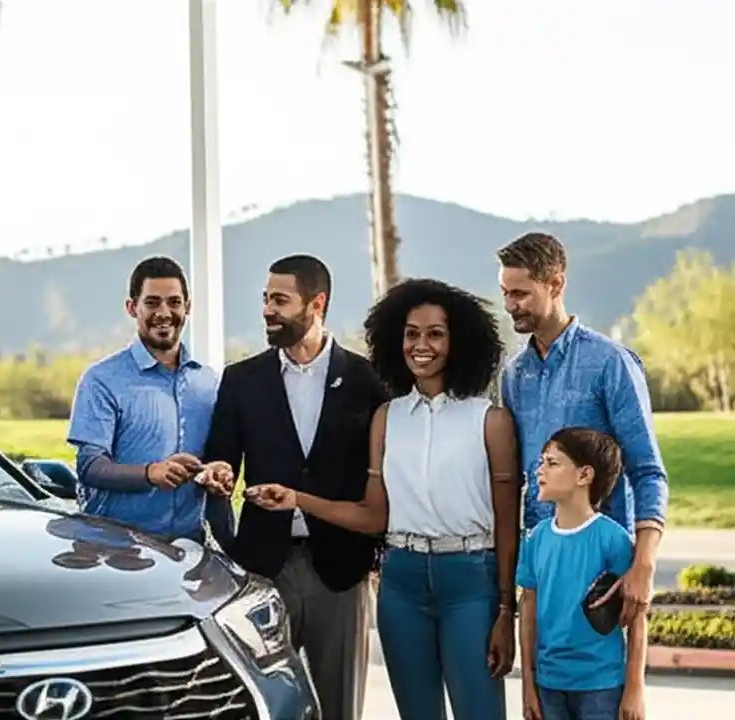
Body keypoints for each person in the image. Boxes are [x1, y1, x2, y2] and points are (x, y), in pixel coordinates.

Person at [247, 278, 520, 720]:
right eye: (411, 333)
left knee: (481, 713)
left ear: (460, 340)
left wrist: (506, 609)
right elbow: (375, 516)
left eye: (435, 333)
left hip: (471, 581)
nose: (421, 345)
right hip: (401, 584)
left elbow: (509, 522)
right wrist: (296, 499)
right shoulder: (387, 418)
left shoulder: (490, 421)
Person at [203, 254, 386, 720]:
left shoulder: (368, 381)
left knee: (341, 706)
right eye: (266, 299)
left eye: (280, 300)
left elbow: (381, 476)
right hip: (264, 568)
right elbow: (221, 456)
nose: (268, 310)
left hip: (341, 570)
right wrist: (220, 473)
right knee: (262, 705)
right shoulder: (241, 380)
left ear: (316, 303)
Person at [497, 232, 668, 625]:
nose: (510, 305)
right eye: (506, 293)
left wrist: (643, 565)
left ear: (555, 284)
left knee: (606, 685)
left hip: (605, 573)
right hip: (543, 572)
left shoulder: (611, 362)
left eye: (520, 293)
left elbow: (648, 472)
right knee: (544, 683)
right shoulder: (513, 375)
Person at [66, 255, 233, 542]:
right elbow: (90, 467)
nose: (164, 312)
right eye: (152, 302)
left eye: (174, 302)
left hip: (190, 550)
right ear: (132, 308)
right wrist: (150, 473)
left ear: (187, 307)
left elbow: (213, 458)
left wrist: (217, 472)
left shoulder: (208, 382)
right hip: (117, 549)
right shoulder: (101, 379)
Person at [517, 427, 646, 720]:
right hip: (549, 685)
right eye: (541, 462)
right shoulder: (536, 539)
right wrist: (528, 683)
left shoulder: (613, 539)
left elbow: (637, 619)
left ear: (584, 475)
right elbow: (528, 609)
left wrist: (634, 689)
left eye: (552, 463)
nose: (540, 471)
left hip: (602, 687)